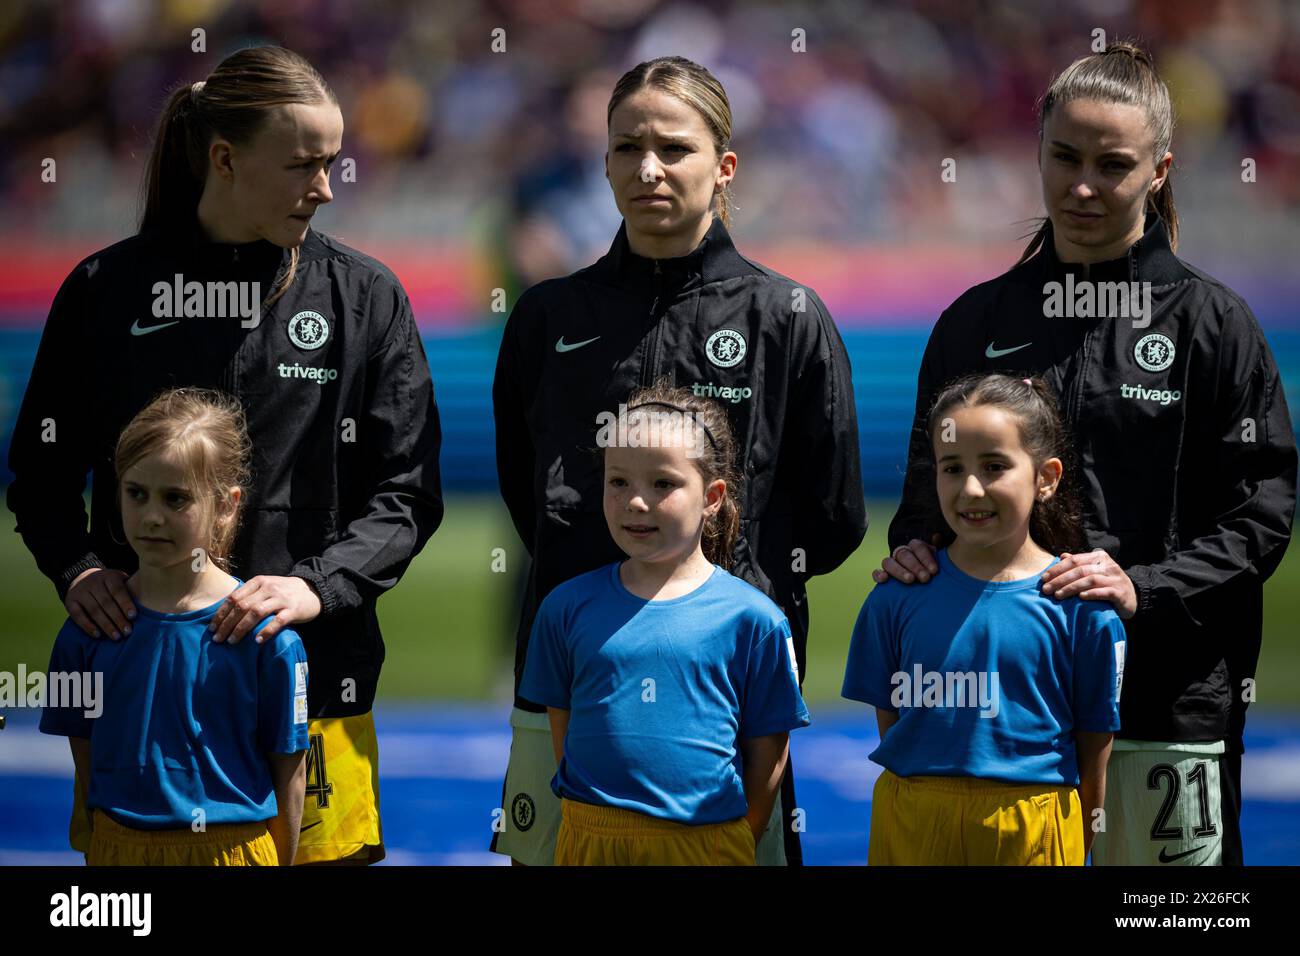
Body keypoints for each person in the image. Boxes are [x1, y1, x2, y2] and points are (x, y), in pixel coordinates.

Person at [7, 46, 444, 865]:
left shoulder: (366, 297)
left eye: (332, 164)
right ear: (223, 158)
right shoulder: (106, 292)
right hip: (141, 694)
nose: (325, 187)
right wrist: (76, 569)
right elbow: (41, 474)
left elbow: (407, 495)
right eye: (304, 165)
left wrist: (316, 588)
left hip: (319, 686)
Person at [878, 42, 1296, 865]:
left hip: (1167, 711)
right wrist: (914, 556)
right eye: (1065, 158)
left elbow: (1263, 517)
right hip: (1000, 730)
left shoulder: (1213, 326)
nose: (1082, 186)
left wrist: (1143, 588)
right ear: (1037, 152)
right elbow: (924, 508)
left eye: (1113, 165)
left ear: (1160, 169)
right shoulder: (974, 323)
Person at [492, 56, 866, 866]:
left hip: (728, 696)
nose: (648, 169)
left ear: (724, 166)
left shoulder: (789, 317)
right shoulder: (547, 315)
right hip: (568, 676)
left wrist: (723, 598)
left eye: (674, 148)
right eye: (627, 149)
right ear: (603, 163)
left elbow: (831, 519)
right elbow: (532, 500)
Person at [519, 383, 809, 865]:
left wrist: (731, 838)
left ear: (712, 496)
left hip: (708, 843)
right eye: (619, 482)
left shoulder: (754, 619)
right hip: (590, 840)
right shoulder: (565, 608)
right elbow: (564, 734)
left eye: (662, 484)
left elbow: (769, 755)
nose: (636, 502)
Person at [845, 374, 1125, 864]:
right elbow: (894, 728)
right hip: (911, 821)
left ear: (1046, 478)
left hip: (1035, 826)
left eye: (994, 466)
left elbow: (1094, 744)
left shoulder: (1083, 609)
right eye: (952, 468)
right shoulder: (894, 598)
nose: (971, 489)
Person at [40, 389, 309, 865]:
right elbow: (86, 770)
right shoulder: (85, 632)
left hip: (232, 852)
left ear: (227, 505)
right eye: (136, 493)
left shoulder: (268, 639)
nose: (151, 517)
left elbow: (289, 773)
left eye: (176, 498)